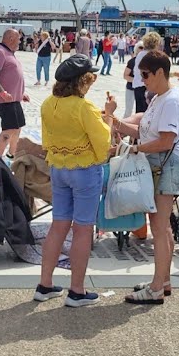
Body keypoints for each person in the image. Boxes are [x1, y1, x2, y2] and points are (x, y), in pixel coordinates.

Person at [35, 54, 114, 308]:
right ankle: (77, 290)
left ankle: (45, 284)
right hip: (84, 170)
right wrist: (109, 115)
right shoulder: (84, 107)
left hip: (59, 167)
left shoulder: (48, 103)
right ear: (82, 81)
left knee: (58, 225)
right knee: (82, 229)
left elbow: (46, 140)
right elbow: (104, 141)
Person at [111, 51, 179, 304]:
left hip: (164, 166)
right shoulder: (159, 98)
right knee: (162, 227)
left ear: (160, 73)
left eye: (145, 75)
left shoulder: (171, 101)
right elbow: (146, 131)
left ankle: (156, 288)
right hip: (158, 166)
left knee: (159, 227)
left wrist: (135, 149)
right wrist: (116, 123)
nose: (141, 80)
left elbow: (165, 141)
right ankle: (162, 281)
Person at [0, 28, 30, 160]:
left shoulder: (9, 52)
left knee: (17, 127)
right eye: (18, 39)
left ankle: (11, 155)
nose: (20, 41)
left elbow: (11, 74)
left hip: (13, 98)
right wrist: (2, 92)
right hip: (4, 99)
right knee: (9, 129)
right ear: (11, 38)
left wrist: (20, 93)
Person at [131, 32, 162, 114]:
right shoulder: (153, 55)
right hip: (147, 86)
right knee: (148, 113)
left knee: (139, 112)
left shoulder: (140, 54)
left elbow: (136, 70)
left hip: (137, 85)